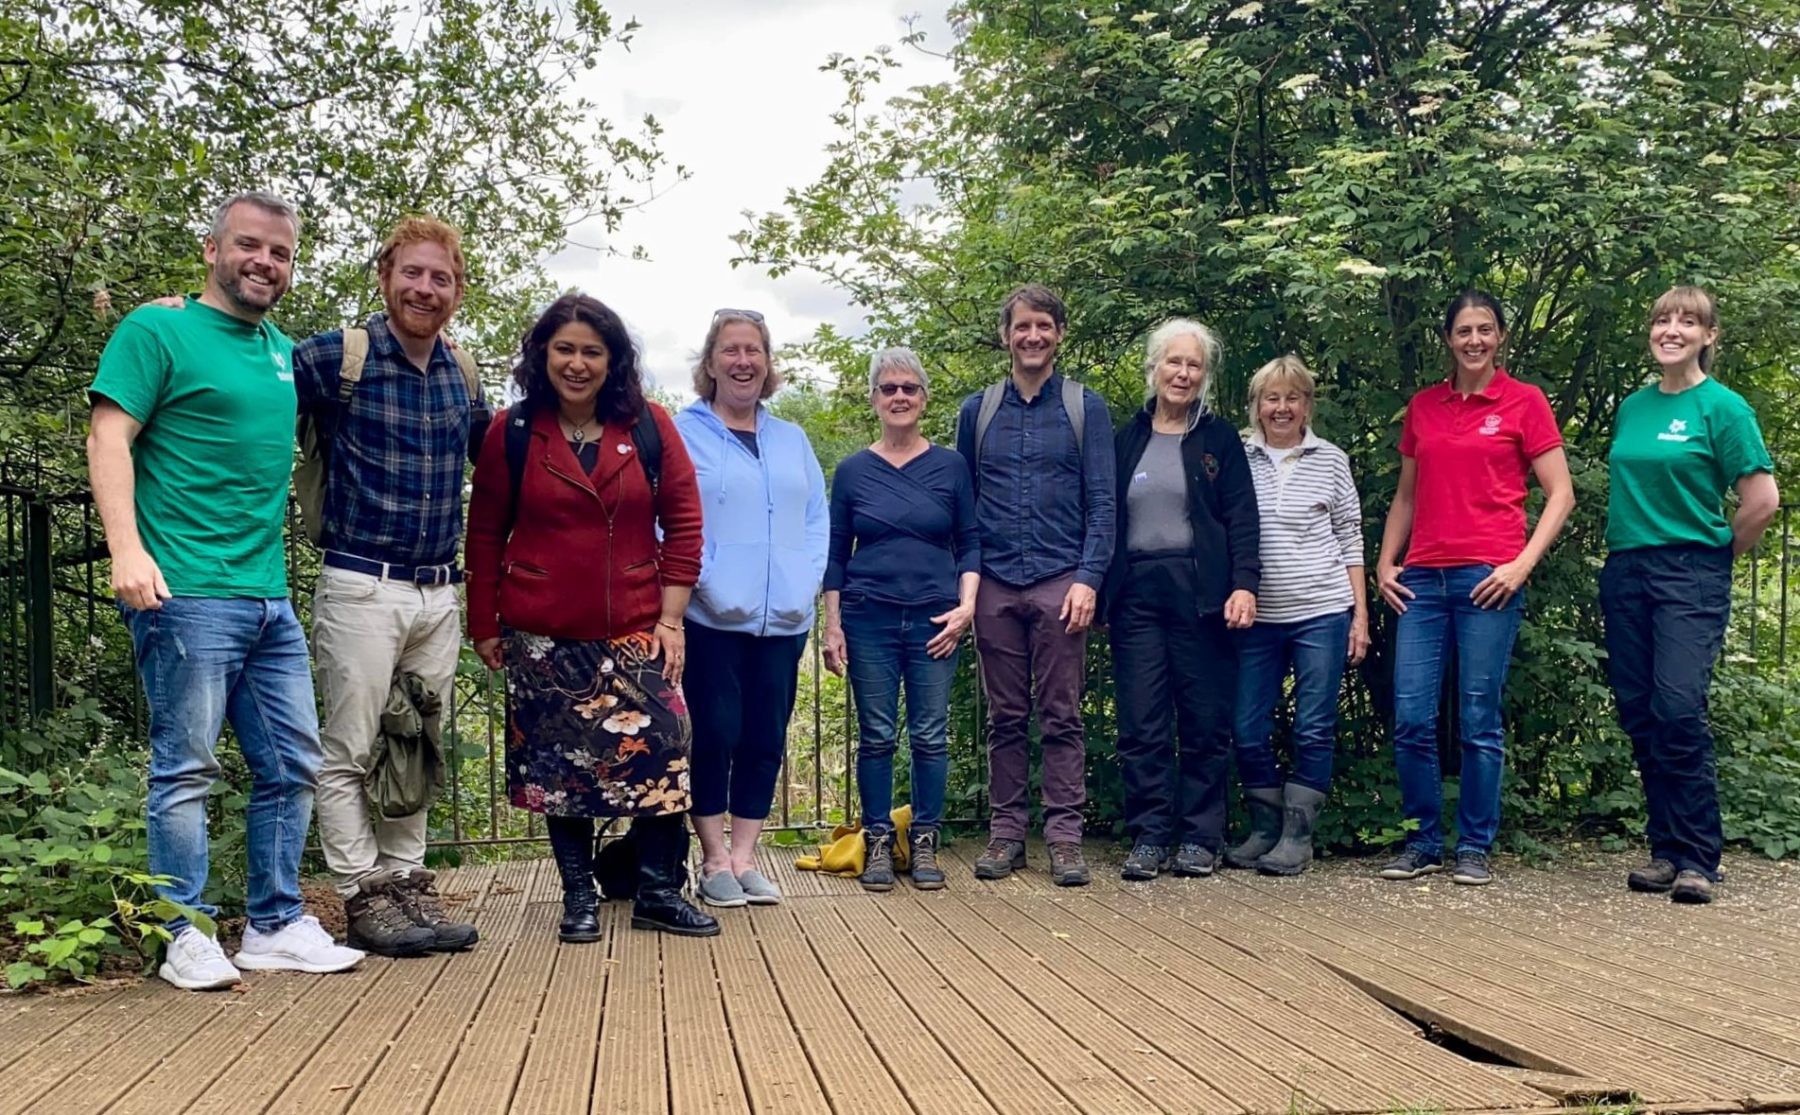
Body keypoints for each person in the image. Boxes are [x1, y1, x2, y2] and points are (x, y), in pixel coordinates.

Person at [87, 192, 363, 989]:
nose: (264, 263)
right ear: (212, 249)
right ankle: (186, 930)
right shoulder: (157, 329)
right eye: (249, 246)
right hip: (185, 590)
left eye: (279, 254)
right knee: (186, 769)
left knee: (293, 761)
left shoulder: (279, 349)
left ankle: (274, 923)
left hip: (266, 594)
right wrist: (126, 550)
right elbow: (109, 434)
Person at [465, 293, 716, 940]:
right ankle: (579, 896)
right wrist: (484, 622)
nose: (577, 363)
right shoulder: (511, 432)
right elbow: (486, 532)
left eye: (591, 351)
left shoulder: (651, 426)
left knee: (666, 744)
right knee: (557, 766)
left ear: (614, 360)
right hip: (541, 635)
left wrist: (671, 619)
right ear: (542, 355)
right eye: (564, 349)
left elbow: (685, 522)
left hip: (636, 628)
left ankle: (658, 890)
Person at [292, 217, 487, 957]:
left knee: (417, 743)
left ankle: (408, 885)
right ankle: (362, 894)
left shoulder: (461, 374)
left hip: (439, 591)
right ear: (385, 276)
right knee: (348, 746)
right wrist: (190, 317)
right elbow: (255, 376)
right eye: (413, 273)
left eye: (441, 277)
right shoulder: (338, 357)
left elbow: (497, 461)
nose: (425, 289)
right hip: (360, 583)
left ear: (457, 290)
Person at [1375, 290, 1575, 886]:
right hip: (1422, 582)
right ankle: (1423, 841)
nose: (1474, 341)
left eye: (1484, 330)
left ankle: (1475, 848)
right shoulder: (1425, 406)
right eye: (1463, 331)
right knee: (1411, 715)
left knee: (1477, 717)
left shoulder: (1524, 402)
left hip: (1489, 578)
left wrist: (1520, 566)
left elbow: (1560, 494)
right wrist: (1386, 564)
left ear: (1501, 336)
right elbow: (1406, 496)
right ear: (1448, 339)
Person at [1601, 286, 1778, 905]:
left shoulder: (1723, 409)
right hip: (1626, 569)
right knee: (1642, 710)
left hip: (1689, 573)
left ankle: (1700, 857)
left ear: (1709, 336)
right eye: (1661, 320)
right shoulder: (1634, 407)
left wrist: (1716, 556)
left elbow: (1761, 502)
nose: (1671, 329)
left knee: (1678, 706)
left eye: (1687, 321)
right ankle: (1665, 850)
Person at [956, 284, 1116, 887]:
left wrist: (1089, 578)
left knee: (1062, 715)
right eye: (1022, 326)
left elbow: (1103, 502)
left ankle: (1065, 839)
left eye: (1044, 326)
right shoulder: (979, 410)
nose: (1032, 336)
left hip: (1060, 581)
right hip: (995, 582)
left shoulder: (1084, 407)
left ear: (1059, 334)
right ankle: (1005, 835)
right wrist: (968, 589)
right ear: (1006, 335)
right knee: (1003, 717)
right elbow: (963, 506)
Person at [673, 309, 828, 908]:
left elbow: (817, 518)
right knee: (714, 733)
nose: (743, 362)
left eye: (754, 351)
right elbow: (671, 518)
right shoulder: (685, 433)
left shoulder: (791, 438)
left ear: (768, 364)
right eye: (731, 351)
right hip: (712, 616)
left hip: (784, 618)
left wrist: (805, 579)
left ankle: (745, 858)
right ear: (710, 364)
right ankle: (711, 860)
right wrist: (705, 579)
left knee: (765, 736)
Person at [1104, 319, 1259, 881]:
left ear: (1204, 375)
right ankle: (1149, 835)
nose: (1183, 373)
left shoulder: (1218, 440)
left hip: (1203, 594)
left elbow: (1243, 516)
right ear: (1154, 367)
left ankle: (1200, 836)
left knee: (1203, 718)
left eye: (1194, 365)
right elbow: (1104, 516)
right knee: (1142, 720)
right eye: (1174, 362)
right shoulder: (1128, 438)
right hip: (1136, 595)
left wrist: (1245, 584)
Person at [821, 348, 980, 892]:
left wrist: (967, 608)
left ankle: (927, 840)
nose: (899, 397)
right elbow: (837, 553)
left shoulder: (952, 466)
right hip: (870, 620)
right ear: (873, 399)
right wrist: (833, 625)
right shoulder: (852, 472)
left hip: (938, 620)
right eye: (888, 388)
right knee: (878, 736)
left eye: (909, 388)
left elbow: (970, 543)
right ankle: (879, 842)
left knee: (931, 736)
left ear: (924, 399)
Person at [1225, 356, 1368, 876]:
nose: (1281, 407)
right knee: (1245, 724)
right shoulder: (1236, 457)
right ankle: (1263, 828)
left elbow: (1351, 536)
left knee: (1313, 725)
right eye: (1271, 398)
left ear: (1307, 405)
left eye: (1292, 397)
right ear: (1257, 406)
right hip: (1256, 617)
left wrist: (1360, 617)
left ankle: (1297, 836)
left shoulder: (1331, 460)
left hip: (1322, 611)